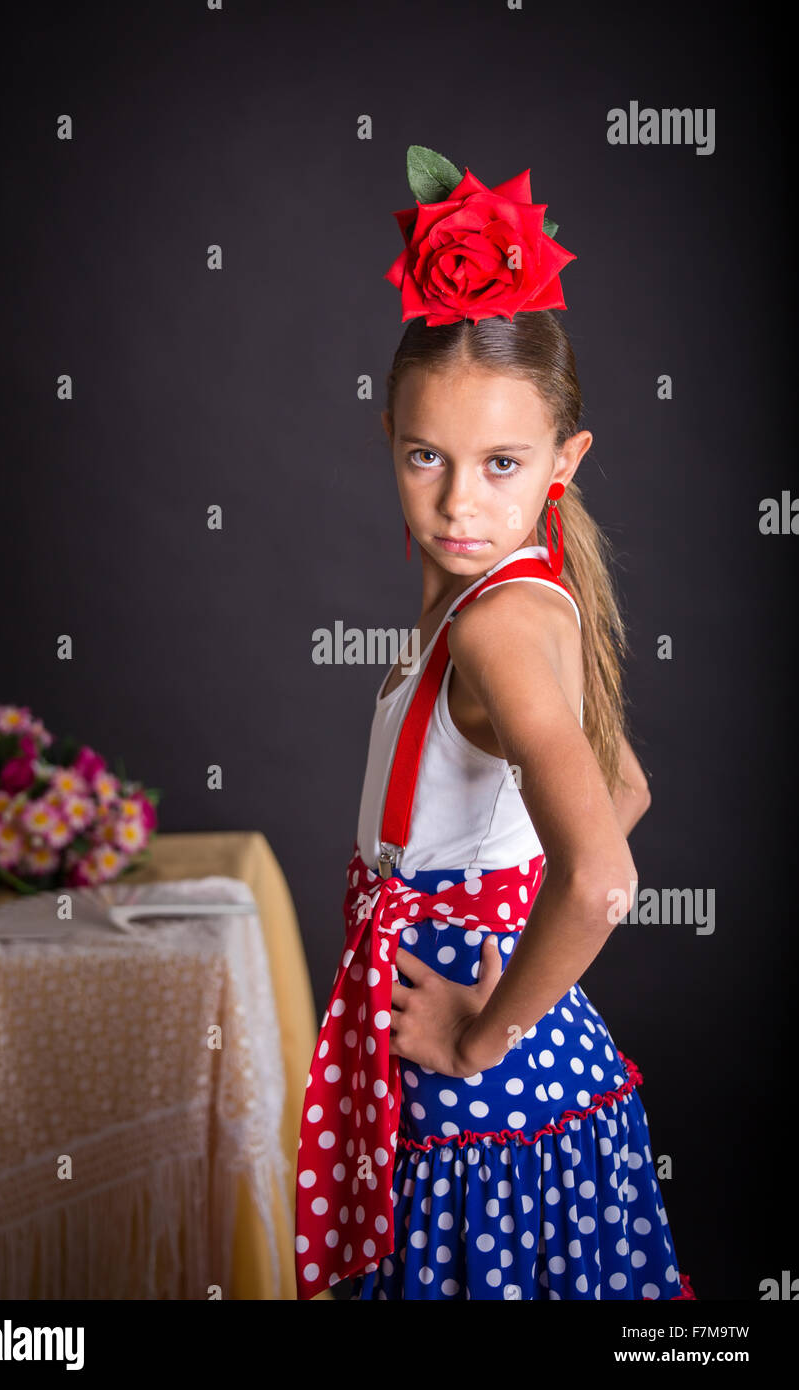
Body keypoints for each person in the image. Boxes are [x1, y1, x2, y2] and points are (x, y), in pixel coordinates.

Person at [294, 147, 696, 1302]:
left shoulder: (498, 631)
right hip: (487, 1083)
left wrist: (480, 1035)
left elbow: (602, 871)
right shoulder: (499, 601)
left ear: (561, 463)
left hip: (482, 1110)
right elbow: (624, 787)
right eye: (428, 456)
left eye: (501, 463)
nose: (459, 501)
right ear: (388, 440)